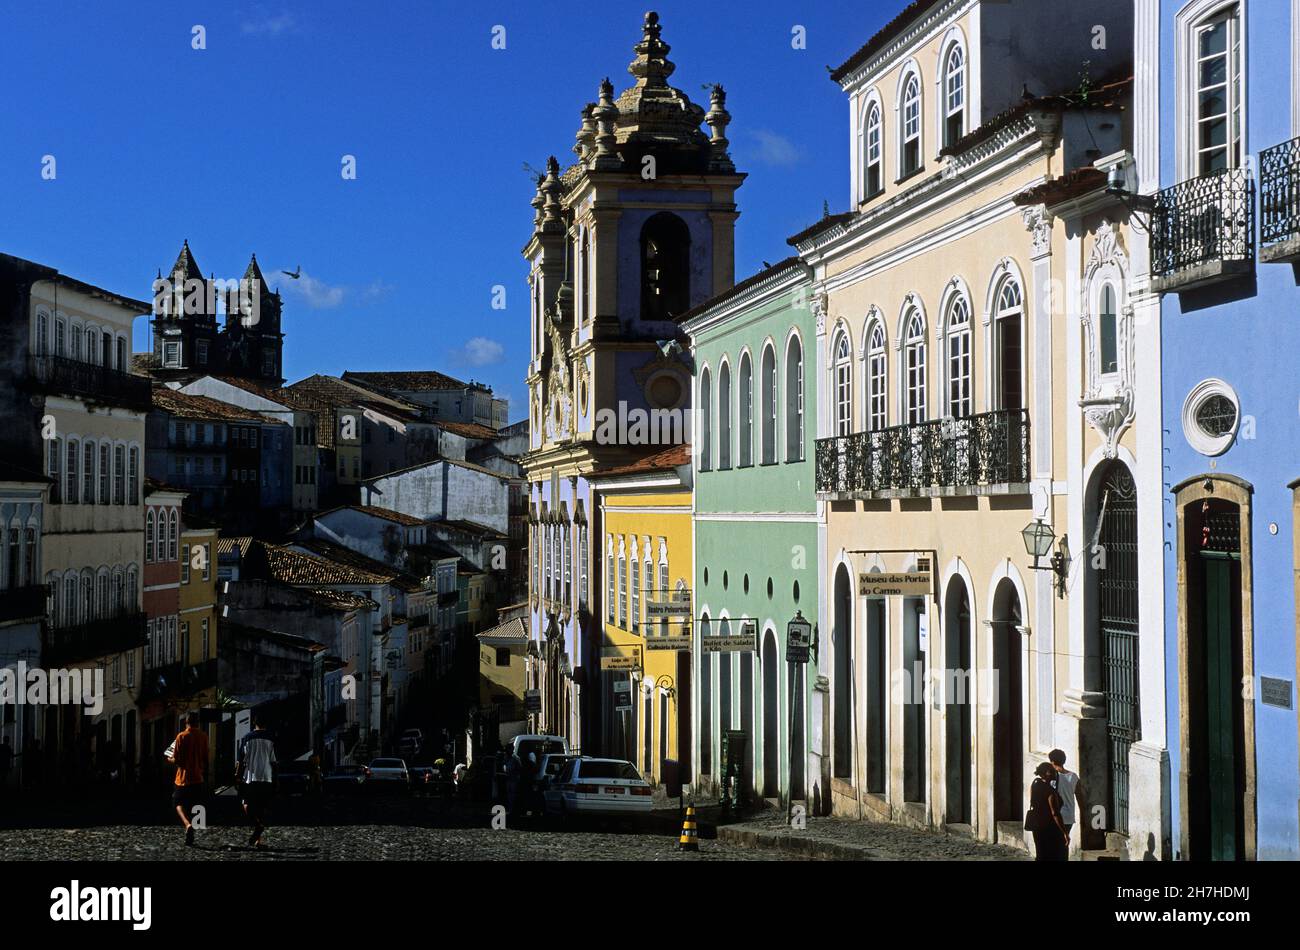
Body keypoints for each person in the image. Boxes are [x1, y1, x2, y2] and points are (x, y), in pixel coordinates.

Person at [234, 716, 277, 848]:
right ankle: (259, 840)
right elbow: (273, 761)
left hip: (250, 777)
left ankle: (257, 825)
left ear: (254, 723)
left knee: (246, 804)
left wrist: (237, 776)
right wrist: (276, 779)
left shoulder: (247, 738)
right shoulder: (271, 739)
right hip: (266, 777)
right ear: (266, 724)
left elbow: (241, 760)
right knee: (262, 807)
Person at [171, 711, 210, 846]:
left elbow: (177, 760)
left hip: (182, 778)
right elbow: (206, 757)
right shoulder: (204, 736)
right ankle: (193, 823)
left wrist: (170, 759)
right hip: (198, 777)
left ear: (186, 722)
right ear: (197, 723)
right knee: (196, 805)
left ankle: (187, 824)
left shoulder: (181, 736)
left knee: (178, 803)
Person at [1027, 762, 1069, 861]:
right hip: (1048, 827)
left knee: (1040, 854)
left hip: (1036, 825)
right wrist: (1064, 832)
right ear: (1046, 773)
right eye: (1052, 772)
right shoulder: (1050, 791)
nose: (1055, 773)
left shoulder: (1035, 783)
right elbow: (1055, 813)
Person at [1048, 748, 1085, 854]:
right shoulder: (1073, 777)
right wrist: (1082, 817)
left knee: (1053, 846)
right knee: (1064, 844)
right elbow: (1080, 799)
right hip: (1069, 817)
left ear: (1053, 762)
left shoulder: (1052, 778)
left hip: (1055, 817)